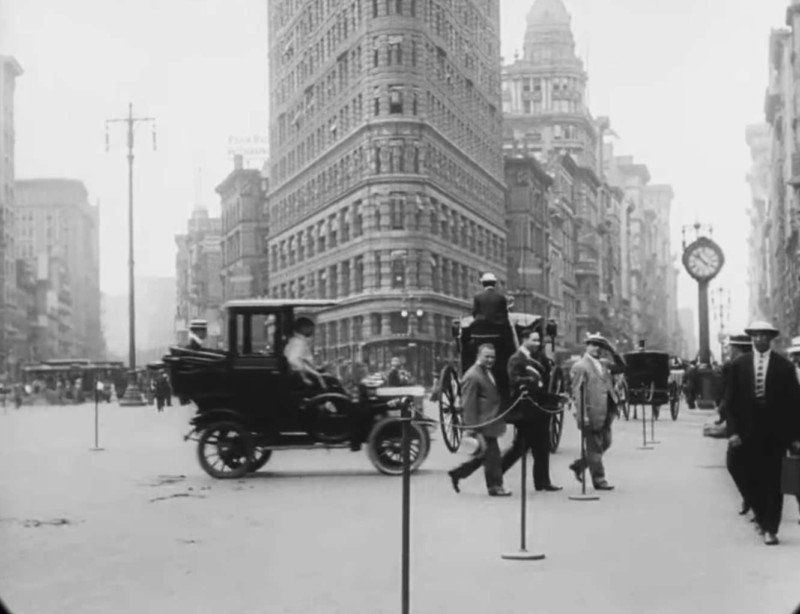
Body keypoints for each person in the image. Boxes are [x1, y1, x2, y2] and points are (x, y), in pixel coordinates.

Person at [725, 320, 800, 545]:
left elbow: (795, 404)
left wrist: (796, 437)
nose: (759, 339)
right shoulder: (739, 365)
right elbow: (731, 402)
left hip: (774, 431)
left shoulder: (784, 367)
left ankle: (770, 528)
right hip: (746, 430)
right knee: (739, 468)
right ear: (751, 338)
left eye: (764, 336)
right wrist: (733, 432)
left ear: (771, 339)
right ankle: (759, 512)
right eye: (755, 336)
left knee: (772, 480)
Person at [501, 328, 562, 491]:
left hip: (539, 408)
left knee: (542, 447)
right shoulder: (516, 359)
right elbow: (514, 380)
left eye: (538, 341)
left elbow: (548, 379)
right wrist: (531, 381)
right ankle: (496, 474)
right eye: (533, 340)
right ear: (524, 340)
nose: (537, 344)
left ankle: (543, 481)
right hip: (525, 409)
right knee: (519, 448)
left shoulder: (538, 358)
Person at [447, 344, 511, 497]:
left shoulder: (485, 372)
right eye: (487, 356)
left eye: (492, 357)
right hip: (481, 424)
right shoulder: (473, 375)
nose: (490, 360)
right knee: (492, 457)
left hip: (488, 422)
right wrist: (471, 429)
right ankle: (495, 487)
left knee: (486, 455)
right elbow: (468, 404)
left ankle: (457, 473)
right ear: (478, 356)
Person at [568, 333, 626, 491]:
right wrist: (582, 415)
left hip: (607, 412)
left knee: (605, 443)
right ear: (586, 346)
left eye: (599, 345)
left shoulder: (604, 364)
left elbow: (622, 367)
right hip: (591, 412)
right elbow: (578, 394)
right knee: (595, 448)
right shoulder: (580, 366)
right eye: (592, 344)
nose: (596, 348)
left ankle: (579, 466)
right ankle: (599, 479)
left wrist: (613, 350)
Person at [718, 334, 753, 515]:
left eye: (732, 348)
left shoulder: (736, 367)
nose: (729, 351)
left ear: (738, 349)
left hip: (750, 425)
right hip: (739, 424)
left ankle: (754, 500)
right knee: (735, 463)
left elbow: (728, 396)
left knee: (740, 464)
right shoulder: (732, 367)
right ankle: (750, 497)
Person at [284, 317, 326, 390]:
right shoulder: (298, 343)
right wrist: (310, 375)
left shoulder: (298, 341)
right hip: (303, 377)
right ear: (304, 328)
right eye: (311, 328)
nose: (313, 331)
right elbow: (294, 360)